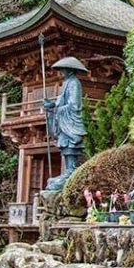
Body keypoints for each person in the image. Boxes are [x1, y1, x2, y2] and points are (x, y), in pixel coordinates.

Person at [44, 57, 88, 191]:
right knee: (65, 146)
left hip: (70, 121)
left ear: (70, 70)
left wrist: (57, 109)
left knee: (70, 146)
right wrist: (51, 105)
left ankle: (70, 172)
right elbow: (60, 102)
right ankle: (68, 172)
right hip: (65, 121)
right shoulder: (67, 83)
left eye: (63, 69)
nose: (61, 72)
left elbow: (74, 105)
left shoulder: (74, 83)